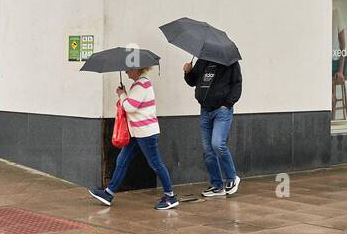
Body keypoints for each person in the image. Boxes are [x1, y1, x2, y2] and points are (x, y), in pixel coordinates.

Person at [88, 66, 178, 210]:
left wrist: (122, 95)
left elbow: (130, 107)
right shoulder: (139, 85)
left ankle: (170, 197)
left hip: (146, 133)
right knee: (122, 160)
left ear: (137, 69)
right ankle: (108, 193)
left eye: (129, 69)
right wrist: (124, 95)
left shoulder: (141, 85)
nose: (126, 72)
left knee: (156, 163)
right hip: (137, 132)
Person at [185, 55, 242, 197]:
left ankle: (232, 178)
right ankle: (217, 185)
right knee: (207, 150)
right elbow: (193, 81)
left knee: (218, 144)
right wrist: (188, 72)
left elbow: (237, 84)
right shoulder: (203, 60)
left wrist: (227, 104)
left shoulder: (230, 62)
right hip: (205, 110)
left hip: (222, 110)